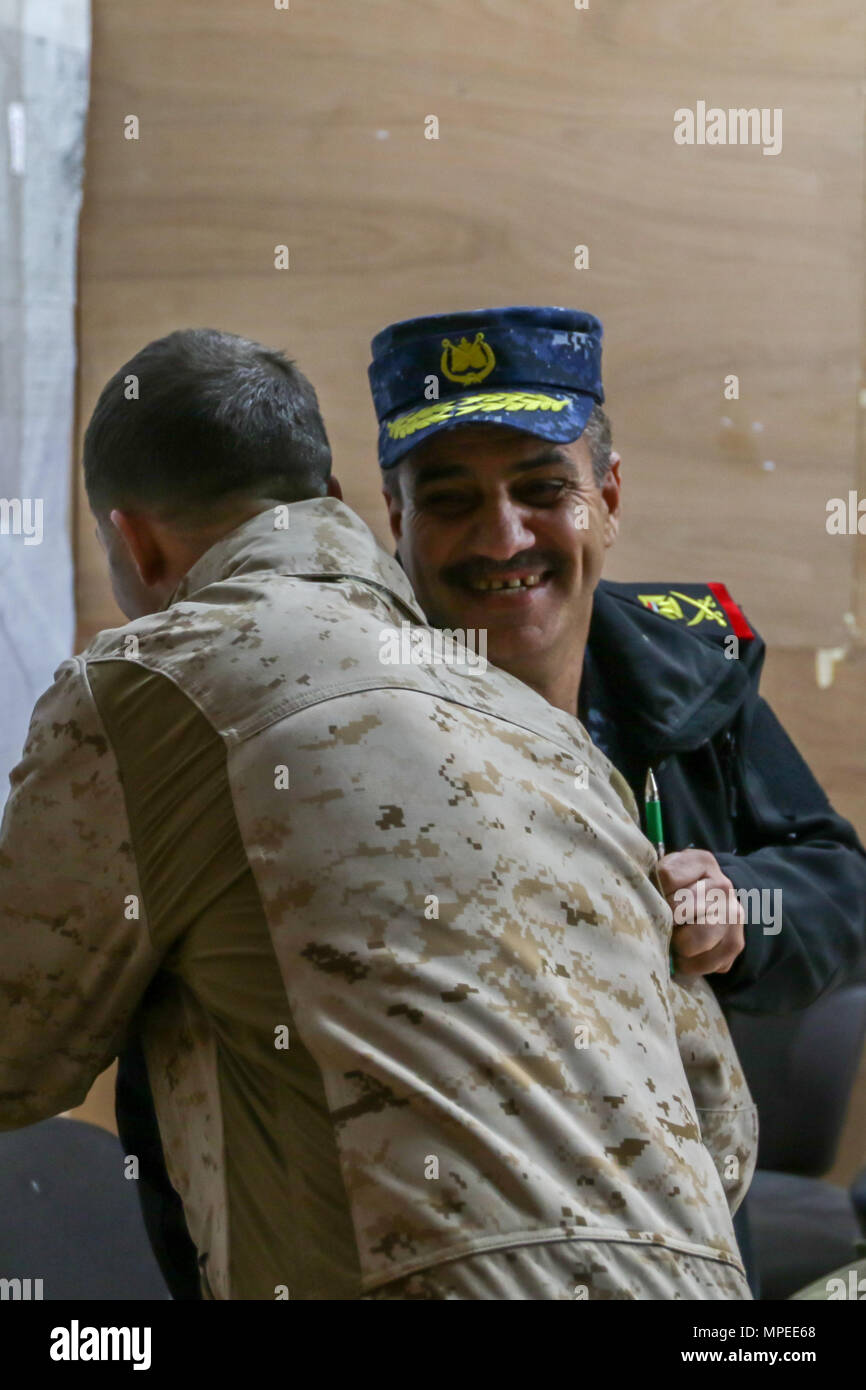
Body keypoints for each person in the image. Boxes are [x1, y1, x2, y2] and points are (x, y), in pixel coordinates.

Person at [0, 327, 756, 1300]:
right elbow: (719, 1130)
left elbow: (17, 1049)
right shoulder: (551, 736)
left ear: (135, 540)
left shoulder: (151, 684)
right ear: (342, 505)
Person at [366, 303, 866, 1290]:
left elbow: (838, 888)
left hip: (677, 1238)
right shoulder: (339, 718)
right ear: (396, 521)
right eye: (451, 499)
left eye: (542, 489)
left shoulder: (688, 668)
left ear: (607, 494)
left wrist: (734, 901)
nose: (502, 537)